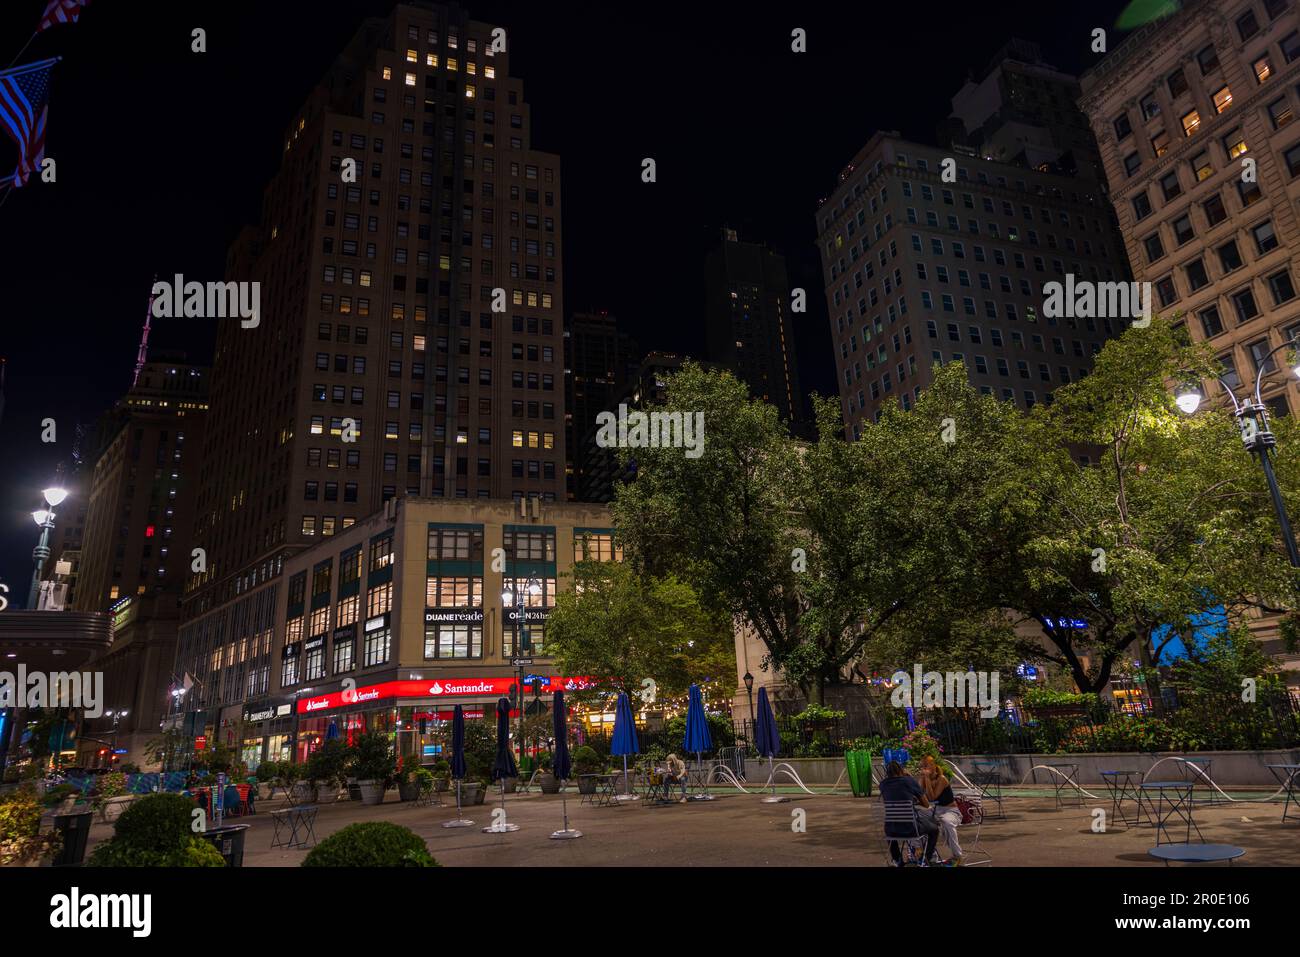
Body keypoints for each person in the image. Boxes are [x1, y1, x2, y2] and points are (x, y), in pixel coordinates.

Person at [878, 761, 939, 865]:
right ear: (901, 770)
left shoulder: (883, 784)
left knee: (891, 832)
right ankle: (926, 859)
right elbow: (926, 804)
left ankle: (897, 860)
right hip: (910, 828)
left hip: (891, 830)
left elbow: (893, 799)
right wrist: (909, 777)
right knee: (934, 829)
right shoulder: (908, 781)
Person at [918, 755, 963, 865]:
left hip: (951, 811)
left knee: (946, 821)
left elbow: (932, 798)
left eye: (926, 765)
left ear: (933, 766)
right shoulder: (923, 779)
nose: (923, 768)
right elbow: (919, 795)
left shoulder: (942, 779)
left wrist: (927, 779)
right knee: (919, 820)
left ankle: (957, 856)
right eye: (922, 766)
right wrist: (922, 780)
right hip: (935, 810)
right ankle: (929, 855)